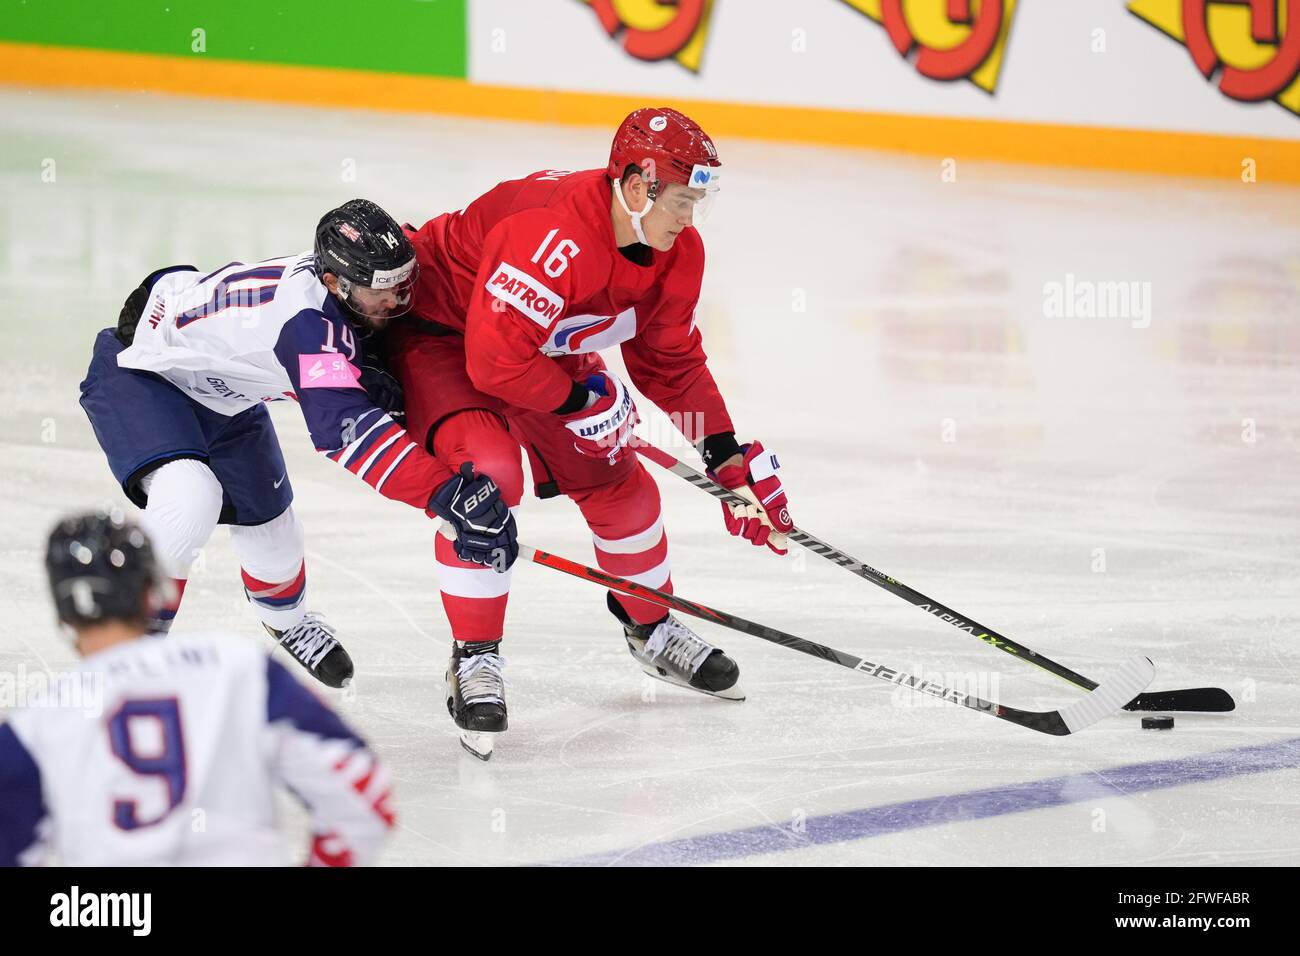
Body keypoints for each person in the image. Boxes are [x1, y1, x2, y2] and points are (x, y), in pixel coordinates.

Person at [384, 108, 796, 755]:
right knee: (488, 478)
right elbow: (492, 361)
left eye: (699, 203)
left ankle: (651, 629)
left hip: (536, 348)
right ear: (636, 188)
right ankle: (475, 657)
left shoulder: (676, 251)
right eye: (683, 201)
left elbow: (671, 363)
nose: (690, 219)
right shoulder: (550, 237)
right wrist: (579, 398)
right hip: (448, 335)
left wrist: (727, 462)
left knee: (623, 491)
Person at [78, 199, 518, 688]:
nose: (397, 303)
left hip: (225, 393)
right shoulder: (308, 327)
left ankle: (286, 622)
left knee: (275, 535)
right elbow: (346, 433)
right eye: (384, 292)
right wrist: (445, 494)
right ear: (335, 283)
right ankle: (124, 656)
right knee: (189, 495)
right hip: (144, 374)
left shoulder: (347, 295)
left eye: (403, 284)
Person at [0, 511, 396, 866]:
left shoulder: (36, 724)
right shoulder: (238, 667)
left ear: (64, 613)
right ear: (150, 592)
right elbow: (363, 798)